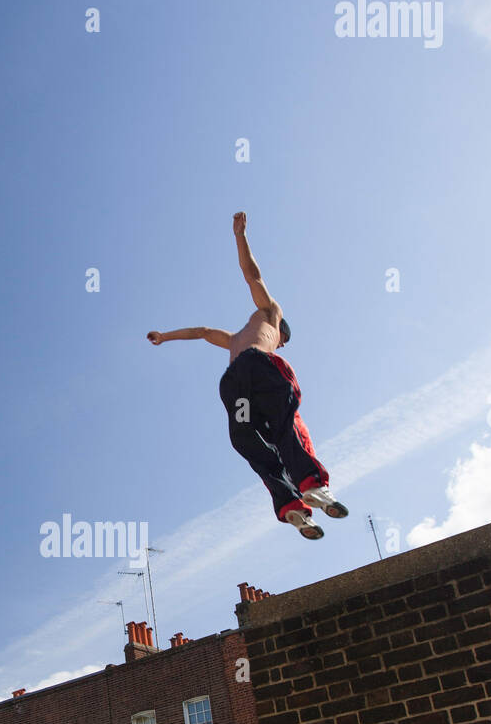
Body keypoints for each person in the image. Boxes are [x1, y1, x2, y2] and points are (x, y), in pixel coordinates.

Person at [147, 212, 348, 539]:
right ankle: (301, 490)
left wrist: (164, 336)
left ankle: (299, 494)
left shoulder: (233, 339)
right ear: (281, 331)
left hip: (235, 382)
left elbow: (202, 332)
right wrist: (240, 236)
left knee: (260, 434)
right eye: (283, 341)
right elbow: (251, 275)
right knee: (268, 429)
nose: (280, 345)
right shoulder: (272, 313)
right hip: (254, 370)